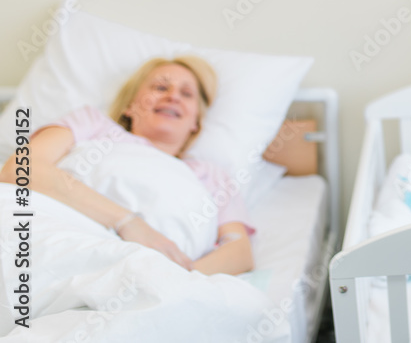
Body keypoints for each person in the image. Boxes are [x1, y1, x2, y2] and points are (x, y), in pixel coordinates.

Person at [0, 56, 254, 275]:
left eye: (186, 94)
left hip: (155, 277)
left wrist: (175, 276)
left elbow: (239, 252)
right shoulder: (94, 124)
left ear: (196, 122)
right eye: (160, 87)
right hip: (58, 241)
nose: (173, 96)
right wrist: (128, 223)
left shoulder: (210, 175)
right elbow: (21, 169)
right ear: (131, 106)